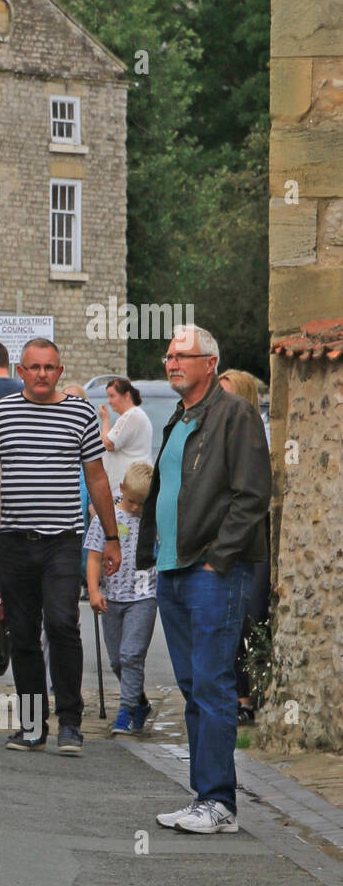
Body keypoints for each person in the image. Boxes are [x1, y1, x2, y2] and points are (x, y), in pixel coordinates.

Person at [0, 338, 120, 756]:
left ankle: (70, 723)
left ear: (60, 371)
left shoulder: (80, 413)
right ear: (21, 371)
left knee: (64, 624)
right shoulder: (0, 412)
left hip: (62, 542)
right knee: (25, 633)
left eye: (49, 367)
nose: (42, 374)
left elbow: (97, 477)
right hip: (14, 541)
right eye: (34, 367)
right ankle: (32, 726)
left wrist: (111, 536)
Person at [143, 326, 271, 835]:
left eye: (182, 356)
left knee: (214, 685)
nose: (172, 363)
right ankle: (205, 796)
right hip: (174, 568)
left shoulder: (234, 415)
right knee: (193, 685)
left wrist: (219, 558)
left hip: (211, 570)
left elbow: (252, 495)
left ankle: (219, 802)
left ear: (210, 363)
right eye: (169, 355)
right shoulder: (181, 415)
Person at [218, 368, 272, 725]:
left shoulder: (261, 434)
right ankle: (234, 694)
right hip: (220, 533)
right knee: (225, 615)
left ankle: (249, 693)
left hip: (254, 535)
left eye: (226, 394)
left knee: (253, 616)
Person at [86, 461, 156, 735]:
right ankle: (140, 702)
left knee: (131, 655)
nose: (137, 508)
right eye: (132, 501)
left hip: (144, 596)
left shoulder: (152, 522)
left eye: (143, 503)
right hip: (112, 597)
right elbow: (93, 556)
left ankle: (125, 711)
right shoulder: (106, 518)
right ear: (121, 488)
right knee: (117, 660)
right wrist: (93, 590)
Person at [96, 376, 153, 494]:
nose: (109, 401)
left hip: (130, 487)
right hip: (126, 486)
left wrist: (105, 420)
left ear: (126, 396)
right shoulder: (131, 416)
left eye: (112, 396)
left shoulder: (132, 415)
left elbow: (109, 444)